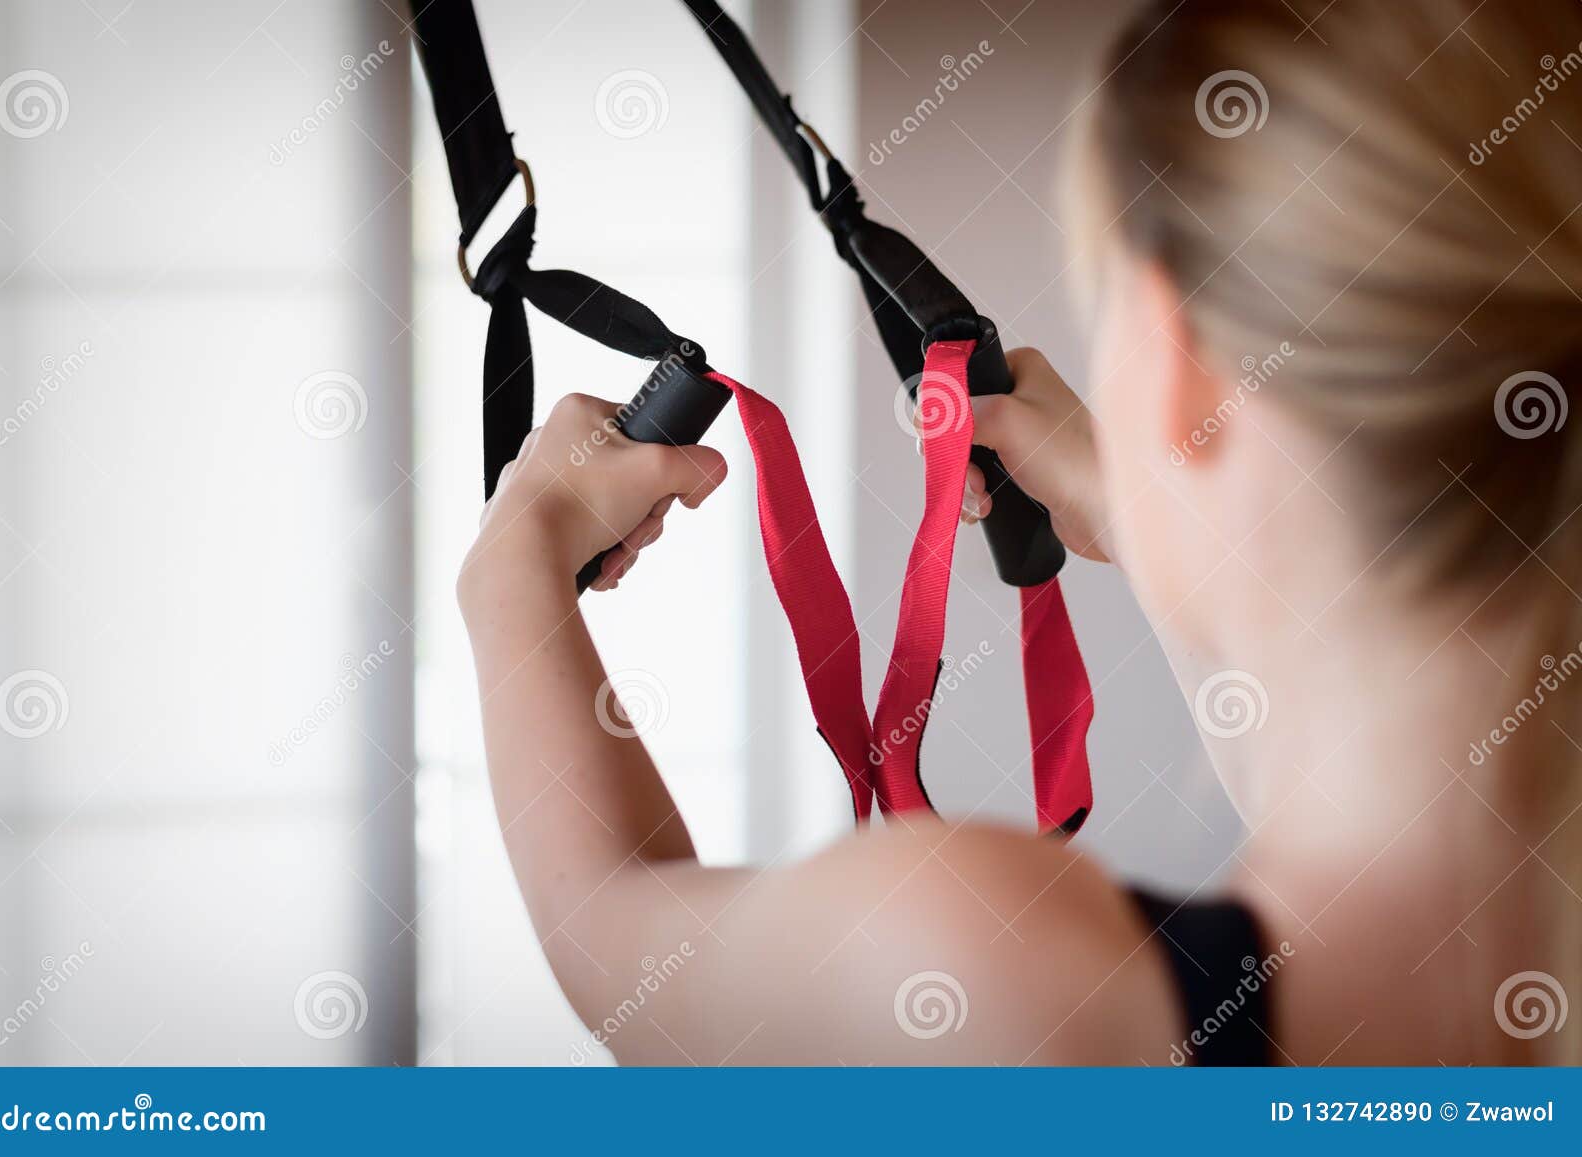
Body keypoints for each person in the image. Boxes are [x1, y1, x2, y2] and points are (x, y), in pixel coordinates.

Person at [455, 0, 1582, 1064]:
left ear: (1172, 360)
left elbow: (609, 928)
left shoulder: (1006, 976)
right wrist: (1150, 498)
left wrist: (518, 556)